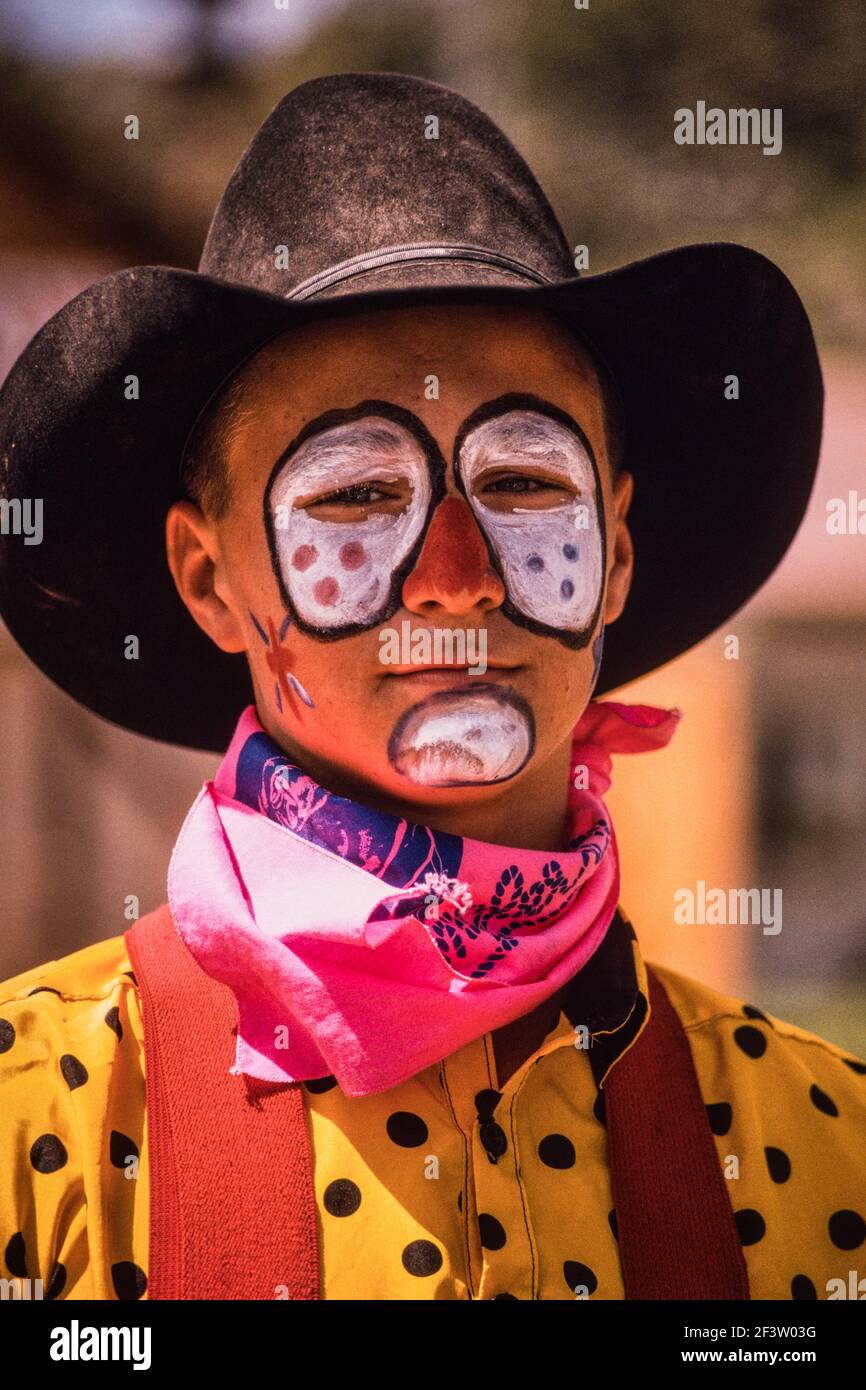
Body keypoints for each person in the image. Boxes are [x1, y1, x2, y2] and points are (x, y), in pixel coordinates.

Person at [0, 72, 863, 1303]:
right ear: (208, 576)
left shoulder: (824, 1160)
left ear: (612, 554)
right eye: (355, 493)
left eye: (518, 483)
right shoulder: (33, 1135)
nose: (454, 578)